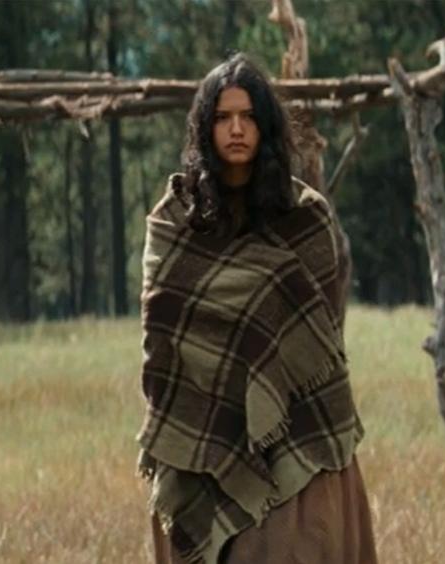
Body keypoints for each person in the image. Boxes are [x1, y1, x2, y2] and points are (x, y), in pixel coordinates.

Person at [138, 53, 377, 564]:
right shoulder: (174, 223)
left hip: (293, 442)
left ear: (266, 126)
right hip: (201, 441)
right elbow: (161, 334)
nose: (236, 129)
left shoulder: (306, 217)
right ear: (205, 129)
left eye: (247, 116)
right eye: (223, 118)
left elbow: (323, 337)